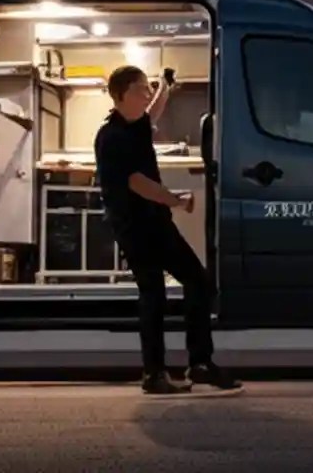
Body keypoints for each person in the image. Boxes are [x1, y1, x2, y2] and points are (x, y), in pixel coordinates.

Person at [94, 64, 240, 394]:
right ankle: (155, 373)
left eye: (147, 89)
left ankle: (200, 364)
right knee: (154, 295)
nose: (146, 95)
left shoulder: (138, 124)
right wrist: (174, 200)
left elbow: (156, 108)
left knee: (197, 282)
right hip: (135, 228)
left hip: (155, 223)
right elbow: (137, 183)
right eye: (140, 89)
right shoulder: (112, 137)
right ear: (119, 95)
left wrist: (166, 85)